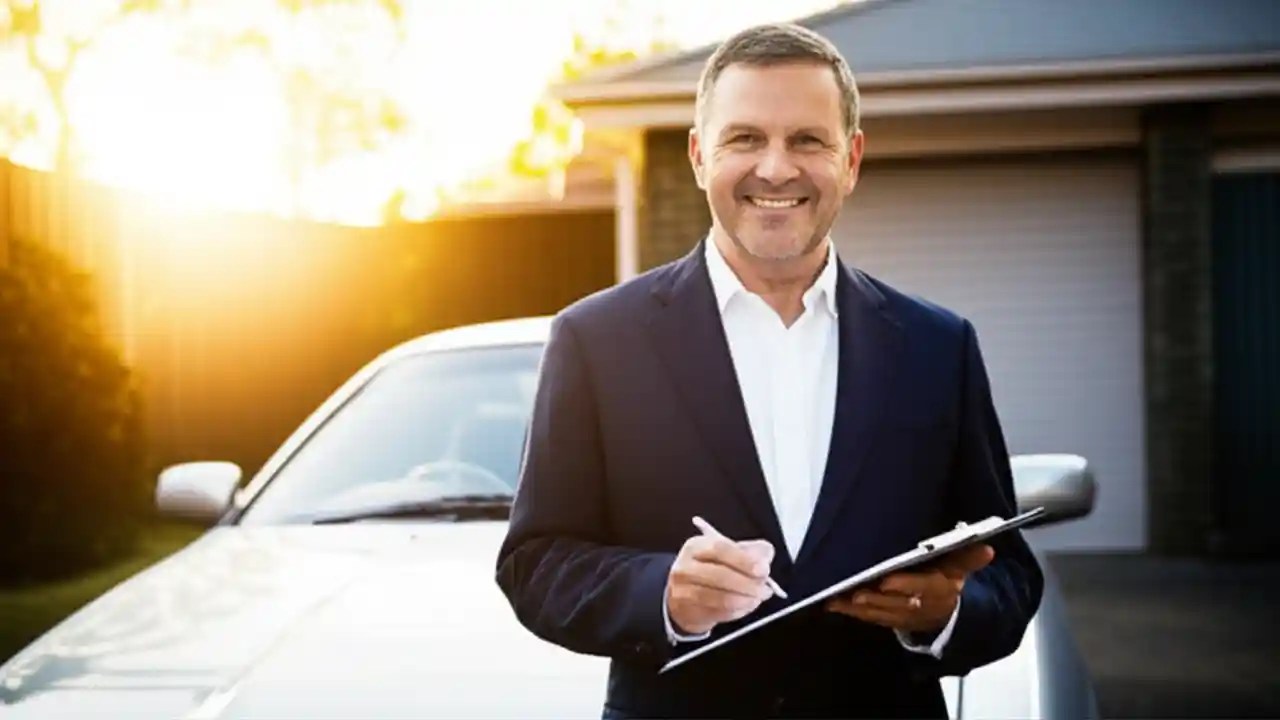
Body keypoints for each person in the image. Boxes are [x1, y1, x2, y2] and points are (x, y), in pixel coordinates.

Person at [495, 21, 1043, 719]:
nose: (776, 168)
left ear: (851, 159)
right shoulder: (595, 340)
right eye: (745, 138)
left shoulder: (939, 347)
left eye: (807, 140)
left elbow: (1012, 574)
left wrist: (945, 612)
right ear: (700, 156)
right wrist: (660, 591)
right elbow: (535, 562)